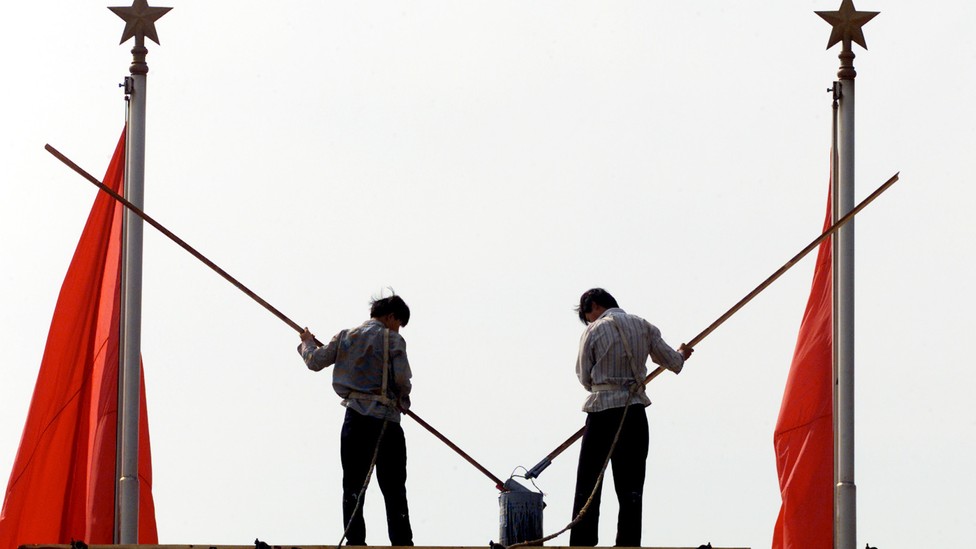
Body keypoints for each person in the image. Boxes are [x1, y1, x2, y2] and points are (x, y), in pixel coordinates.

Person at [569, 288, 693, 547]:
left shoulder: (593, 331)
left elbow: (584, 376)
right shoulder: (644, 326)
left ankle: (582, 543)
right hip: (633, 413)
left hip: (602, 412)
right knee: (631, 487)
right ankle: (627, 544)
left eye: (587, 315)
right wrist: (681, 353)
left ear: (593, 305)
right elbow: (674, 362)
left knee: (589, 482)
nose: (589, 320)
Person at [298, 295, 414, 546]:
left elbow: (315, 361)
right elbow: (402, 380)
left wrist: (307, 342)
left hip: (355, 420)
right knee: (394, 489)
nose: (398, 328)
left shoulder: (345, 336)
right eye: (399, 322)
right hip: (386, 422)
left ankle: (356, 543)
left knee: (352, 485)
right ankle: (403, 544)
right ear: (391, 316)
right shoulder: (393, 339)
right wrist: (403, 399)